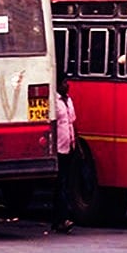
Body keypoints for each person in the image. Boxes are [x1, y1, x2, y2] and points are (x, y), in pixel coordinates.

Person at [52, 79, 77, 234]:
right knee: (60, 185)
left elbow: (72, 123)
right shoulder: (54, 102)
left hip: (69, 147)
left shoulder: (68, 101)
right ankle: (62, 219)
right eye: (63, 83)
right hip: (59, 148)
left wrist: (77, 144)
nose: (67, 85)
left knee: (65, 184)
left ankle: (59, 220)